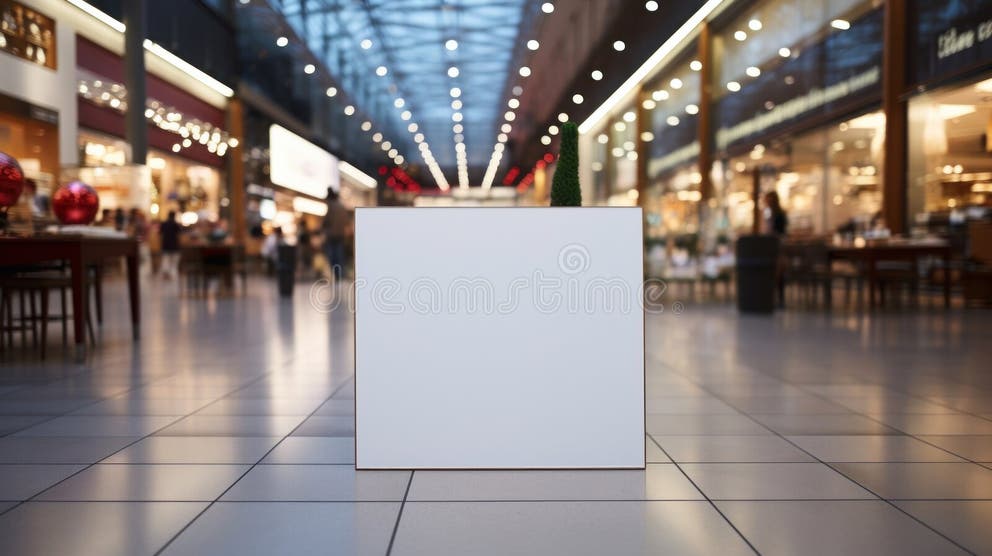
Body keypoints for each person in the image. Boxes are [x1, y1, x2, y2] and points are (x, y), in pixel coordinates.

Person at [322, 187, 349, 280]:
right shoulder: (342, 206)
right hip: (341, 234)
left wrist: (322, 227)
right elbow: (346, 221)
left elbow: (326, 220)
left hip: (331, 235)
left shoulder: (331, 206)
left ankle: (337, 275)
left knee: (332, 255)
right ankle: (341, 274)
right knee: (340, 255)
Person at [159, 211, 182, 280]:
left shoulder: (164, 223)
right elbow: (179, 234)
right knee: (174, 261)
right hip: (174, 245)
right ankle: (172, 275)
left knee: (165, 259)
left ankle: (166, 273)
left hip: (165, 244)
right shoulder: (176, 224)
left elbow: (160, 233)